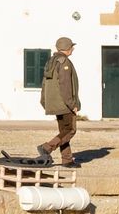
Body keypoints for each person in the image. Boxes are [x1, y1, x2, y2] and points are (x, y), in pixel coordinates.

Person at [34, 37, 83, 166]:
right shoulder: (64, 62)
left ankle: (67, 160)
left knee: (63, 132)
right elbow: (65, 86)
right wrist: (72, 104)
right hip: (64, 104)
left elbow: (44, 83)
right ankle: (47, 147)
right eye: (71, 46)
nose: (73, 48)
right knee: (70, 130)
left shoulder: (51, 61)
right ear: (67, 48)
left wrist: (44, 100)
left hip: (55, 103)